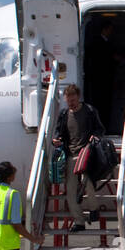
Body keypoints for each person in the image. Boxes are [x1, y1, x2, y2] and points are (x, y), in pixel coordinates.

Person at [52, 84, 106, 231]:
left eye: (74, 100)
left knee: (87, 182)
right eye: (69, 101)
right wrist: (56, 140)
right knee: (70, 190)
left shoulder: (89, 111)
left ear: (78, 97)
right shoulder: (64, 114)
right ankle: (79, 221)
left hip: (86, 153)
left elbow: (100, 128)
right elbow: (58, 132)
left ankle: (94, 209)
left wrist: (95, 136)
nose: (72, 104)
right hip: (70, 155)